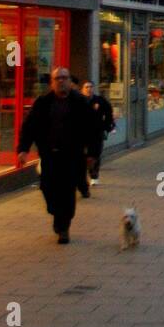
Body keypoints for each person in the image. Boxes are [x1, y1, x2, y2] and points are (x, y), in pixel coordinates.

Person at [17, 66, 95, 244]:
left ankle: (63, 227)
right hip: (50, 155)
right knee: (48, 188)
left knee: (67, 191)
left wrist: (92, 153)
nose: (61, 81)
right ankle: (57, 214)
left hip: (72, 156)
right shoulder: (43, 103)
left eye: (64, 78)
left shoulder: (80, 102)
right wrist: (23, 149)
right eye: (57, 78)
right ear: (52, 83)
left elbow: (92, 129)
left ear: (70, 81)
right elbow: (29, 127)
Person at [80, 80, 115, 188]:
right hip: (81, 134)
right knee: (83, 156)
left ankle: (94, 175)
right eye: (86, 87)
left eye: (90, 87)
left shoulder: (99, 100)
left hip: (96, 133)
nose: (89, 89)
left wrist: (107, 126)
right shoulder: (78, 101)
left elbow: (108, 113)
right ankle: (82, 178)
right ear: (82, 89)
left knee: (95, 155)